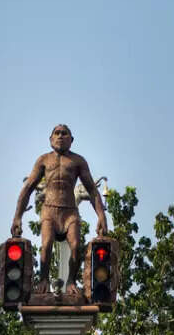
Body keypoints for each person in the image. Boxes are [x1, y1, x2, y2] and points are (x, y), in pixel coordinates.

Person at [11, 124, 108, 294]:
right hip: (50, 210)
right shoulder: (44, 160)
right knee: (46, 244)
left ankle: (71, 281)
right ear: (50, 139)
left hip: (70, 211)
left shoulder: (78, 161)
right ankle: (43, 280)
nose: (60, 136)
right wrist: (17, 217)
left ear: (71, 140)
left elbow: (92, 190)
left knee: (76, 245)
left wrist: (102, 217)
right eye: (56, 133)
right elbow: (28, 189)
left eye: (64, 134)